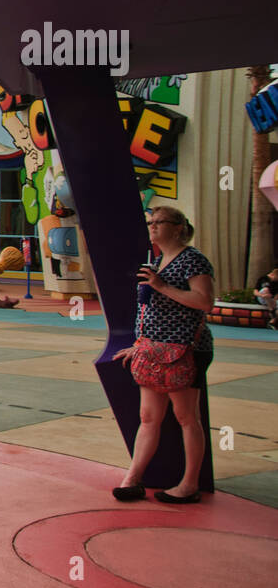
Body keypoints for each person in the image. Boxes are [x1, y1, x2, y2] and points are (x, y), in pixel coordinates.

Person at [111, 206, 214, 504]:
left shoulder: (192, 260)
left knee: (186, 417)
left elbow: (205, 301)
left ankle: (190, 483)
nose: (153, 227)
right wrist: (140, 342)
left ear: (179, 227)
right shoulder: (157, 260)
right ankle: (133, 478)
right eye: (150, 222)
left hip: (185, 349)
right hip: (153, 348)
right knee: (148, 416)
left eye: (160, 222)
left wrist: (162, 286)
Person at [254, 265, 278, 329]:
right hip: (261, 297)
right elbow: (255, 292)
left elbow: (276, 296)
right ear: (273, 275)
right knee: (266, 290)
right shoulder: (263, 279)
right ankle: (272, 312)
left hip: (272, 300)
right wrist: (262, 295)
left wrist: (273, 299)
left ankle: (272, 322)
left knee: (269, 297)